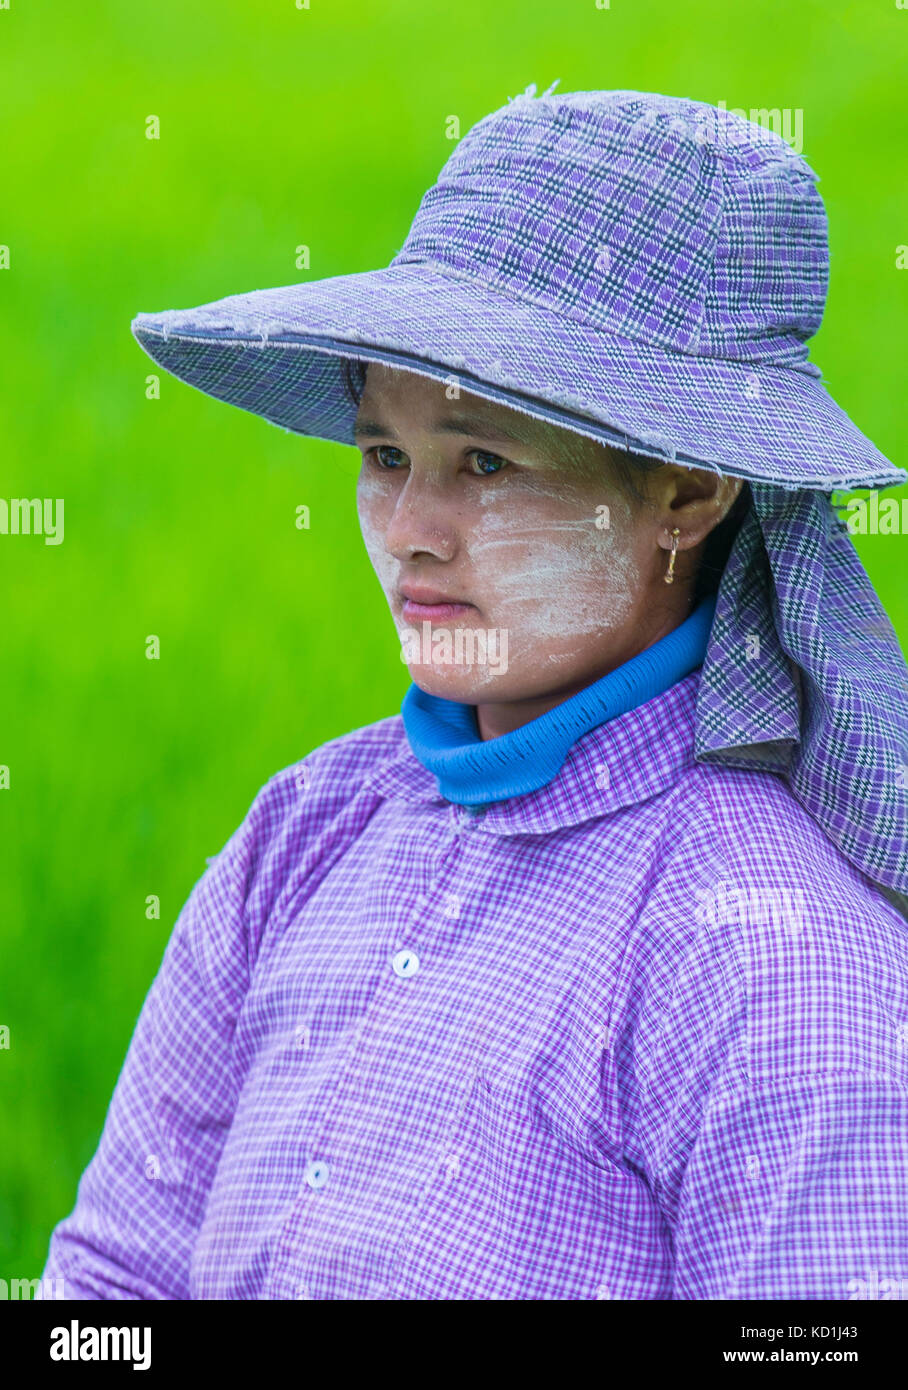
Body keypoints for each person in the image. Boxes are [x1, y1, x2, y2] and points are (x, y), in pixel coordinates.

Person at [40, 85, 908, 1300]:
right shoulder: (306, 834)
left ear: (689, 492)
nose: (410, 532)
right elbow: (113, 1278)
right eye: (385, 455)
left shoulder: (774, 958)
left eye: (484, 462)